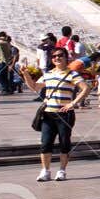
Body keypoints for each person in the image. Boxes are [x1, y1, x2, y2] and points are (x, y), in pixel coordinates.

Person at [22, 46, 88, 181]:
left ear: (66, 58)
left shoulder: (72, 74)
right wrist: (25, 74)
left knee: (64, 142)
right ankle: (45, 171)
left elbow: (86, 88)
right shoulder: (48, 74)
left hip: (65, 114)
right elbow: (35, 87)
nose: (57, 58)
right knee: (45, 143)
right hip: (48, 113)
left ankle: (62, 170)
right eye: (54, 56)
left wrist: (73, 103)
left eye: (60, 56)